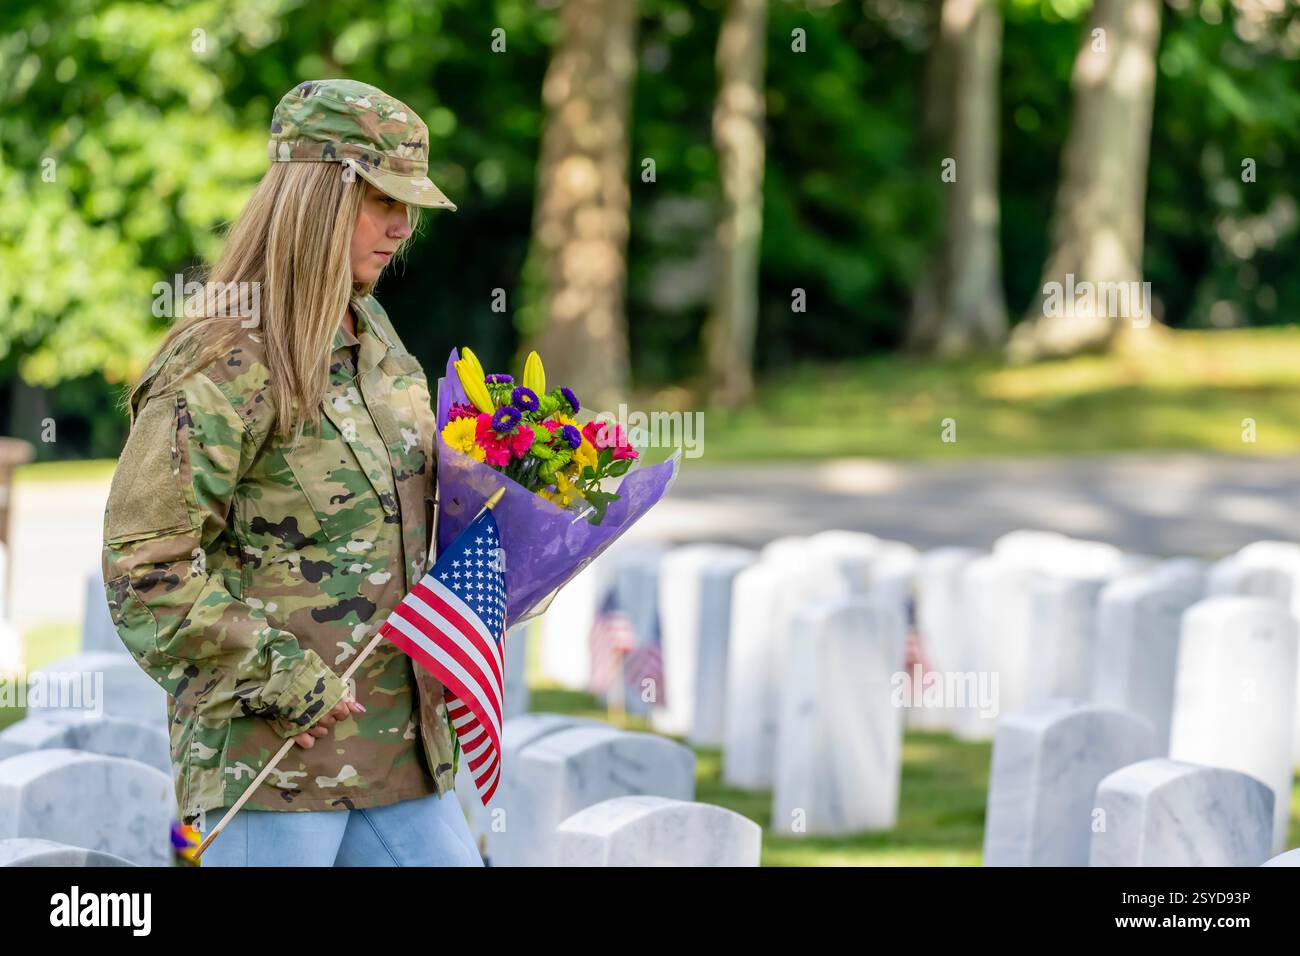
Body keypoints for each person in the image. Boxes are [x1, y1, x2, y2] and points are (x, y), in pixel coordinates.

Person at [101, 79, 482, 866]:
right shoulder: (223, 359)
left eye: (407, 204)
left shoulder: (374, 333)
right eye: (381, 200)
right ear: (320, 198)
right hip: (269, 766)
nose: (401, 226)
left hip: (400, 757)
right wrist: (283, 678)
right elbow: (145, 568)